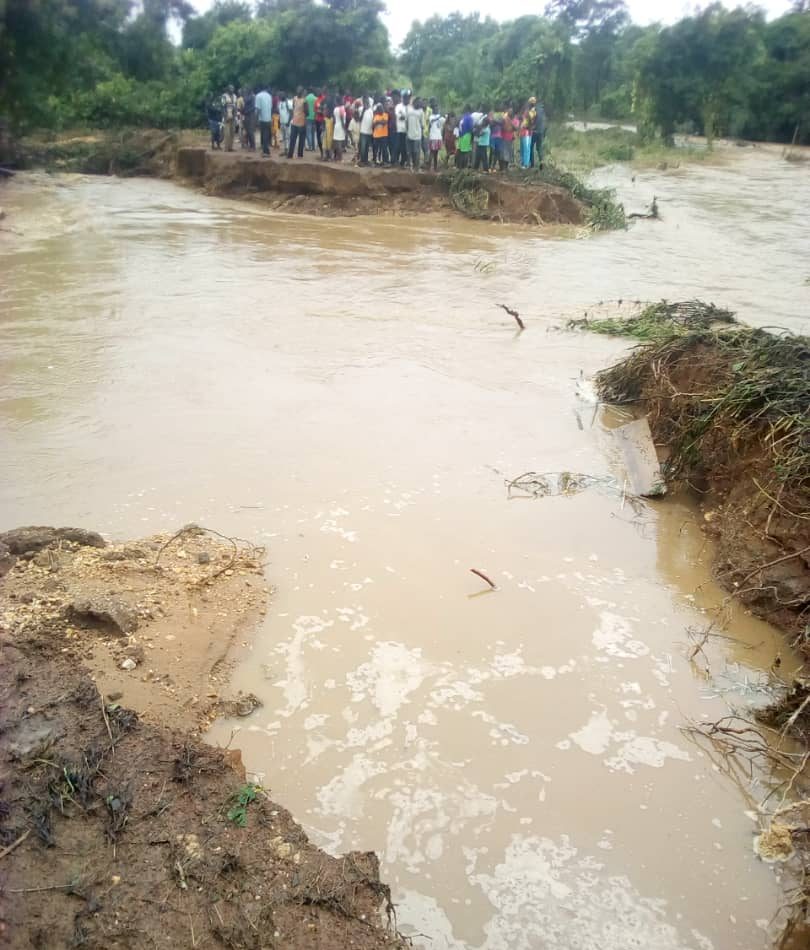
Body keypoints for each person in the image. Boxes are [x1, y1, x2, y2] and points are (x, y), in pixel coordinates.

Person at [287, 87, 307, 158]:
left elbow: (294, 108)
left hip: (298, 122)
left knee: (294, 139)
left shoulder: (300, 100)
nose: (298, 92)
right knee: (298, 140)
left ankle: (292, 154)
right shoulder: (299, 100)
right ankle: (297, 155)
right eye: (297, 90)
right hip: (298, 122)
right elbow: (306, 112)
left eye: (299, 91)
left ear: (301, 92)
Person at [405, 95, 424, 171]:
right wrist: (407, 132)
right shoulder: (409, 110)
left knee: (416, 152)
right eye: (419, 102)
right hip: (409, 135)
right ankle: (410, 167)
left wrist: (421, 135)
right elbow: (406, 122)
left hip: (417, 136)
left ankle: (417, 167)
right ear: (415, 102)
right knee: (409, 152)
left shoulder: (421, 111)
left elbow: (422, 125)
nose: (420, 104)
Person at [255, 84, 273, 156]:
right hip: (268, 118)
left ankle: (266, 151)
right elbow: (270, 107)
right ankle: (264, 150)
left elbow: (258, 109)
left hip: (262, 119)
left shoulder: (258, 96)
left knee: (264, 135)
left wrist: (256, 119)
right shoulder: (269, 96)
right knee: (266, 134)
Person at [358, 95, 374, 166]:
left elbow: (372, 121)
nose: (366, 103)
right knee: (363, 147)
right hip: (363, 131)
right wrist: (363, 111)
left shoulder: (371, 110)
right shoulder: (361, 109)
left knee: (367, 147)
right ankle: (362, 161)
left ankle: (366, 160)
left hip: (369, 132)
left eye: (367, 101)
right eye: (364, 102)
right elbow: (360, 119)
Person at [428, 103, 444, 172]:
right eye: (435, 108)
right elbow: (432, 121)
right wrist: (439, 117)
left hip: (438, 137)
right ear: (433, 109)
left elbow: (444, 122)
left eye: (437, 108)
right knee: (431, 152)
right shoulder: (431, 116)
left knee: (436, 153)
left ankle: (435, 167)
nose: (437, 109)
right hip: (433, 137)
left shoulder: (440, 117)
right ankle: (429, 167)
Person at [221, 85, 237, 152]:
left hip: (233, 116)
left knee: (232, 132)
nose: (232, 89)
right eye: (231, 88)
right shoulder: (224, 96)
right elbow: (223, 107)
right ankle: (226, 148)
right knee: (227, 133)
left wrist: (235, 116)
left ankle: (230, 147)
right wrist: (225, 116)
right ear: (228, 89)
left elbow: (235, 107)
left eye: (233, 88)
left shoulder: (235, 96)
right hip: (227, 116)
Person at [394, 92, 408, 167]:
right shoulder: (398, 106)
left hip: (407, 131)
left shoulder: (410, 107)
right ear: (402, 98)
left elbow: (404, 117)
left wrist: (404, 116)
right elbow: (399, 117)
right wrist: (406, 117)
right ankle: (396, 161)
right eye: (405, 97)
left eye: (407, 97)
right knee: (397, 146)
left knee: (404, 147)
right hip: (399, 130)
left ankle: (403, 162)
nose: (406, 99)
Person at [532, 99, 546, 168]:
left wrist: (533, 128)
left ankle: (532, 164)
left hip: (535, 131)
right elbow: (545, 125)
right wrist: (544, 134)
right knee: (539, 148)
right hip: (541, 132)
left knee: (531, 147)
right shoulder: (543, 113)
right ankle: (541, 161)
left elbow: (533, 121)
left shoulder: (534, 110)